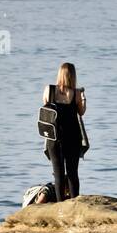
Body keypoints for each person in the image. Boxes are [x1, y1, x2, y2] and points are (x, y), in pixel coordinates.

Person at [42, 63, 86, 201]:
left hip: (54, 138)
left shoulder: (49, 90)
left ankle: (60, 205)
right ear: (73, 76)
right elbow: (81, 112)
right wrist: (84, 98)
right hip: (73, 138)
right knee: (73, 173)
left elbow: (45, 108)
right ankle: (74, 203)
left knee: (58, 173)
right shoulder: (77, 93)